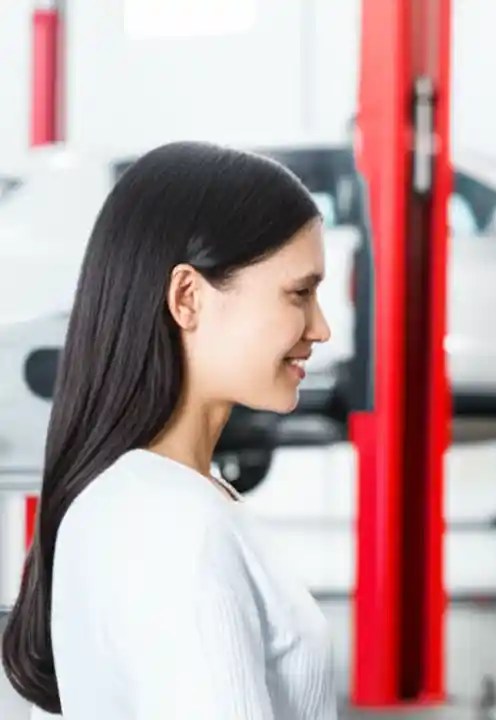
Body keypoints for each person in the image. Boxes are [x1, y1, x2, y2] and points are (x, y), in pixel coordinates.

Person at [2, 141, 339, 719]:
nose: (321, 327)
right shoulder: (174, 524)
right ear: (188, 297)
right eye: (299, 293)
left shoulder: (140, 496)